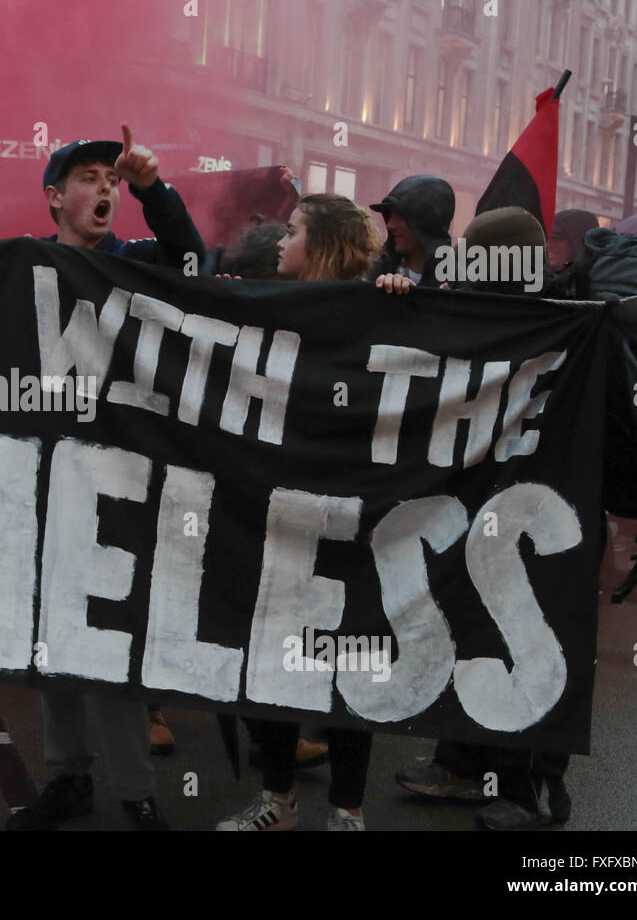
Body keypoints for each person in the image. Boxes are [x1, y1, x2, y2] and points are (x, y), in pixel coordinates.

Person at [6, 126, 204, 831]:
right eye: (90, 178)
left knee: (113, 638)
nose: (106, 190)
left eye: (112, 181)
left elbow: (190, 257)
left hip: (122, 479)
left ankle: (137, 792)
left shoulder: (139, 261)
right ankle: (67, 779)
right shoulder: (24, 265)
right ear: (56, 197)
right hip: (45, 482)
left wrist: (154, 187)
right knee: (51, 641)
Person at [386, 207, 576, 830]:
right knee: (468, 624)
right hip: (474, 501)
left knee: (528, 635)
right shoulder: (476, 307)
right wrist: (396, 297)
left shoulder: (572, 320)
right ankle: (464, 763)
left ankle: (529, 792)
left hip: (539, 512)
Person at [216, 193, 381, 832]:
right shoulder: (262, 303)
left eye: (294, 231)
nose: (281, 240)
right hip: (272, 518)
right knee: (271, 662)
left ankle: (347, 811)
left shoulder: (379, 307)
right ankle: (279, 802)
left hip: (347, 522)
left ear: (324, 245)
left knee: (348, 667)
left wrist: (406, 292)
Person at [366, 175, 455, 288]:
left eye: (400, 216)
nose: (390, 225)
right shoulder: (372, 271)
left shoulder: (460, 280)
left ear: (428, 220)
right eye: (390, 215)